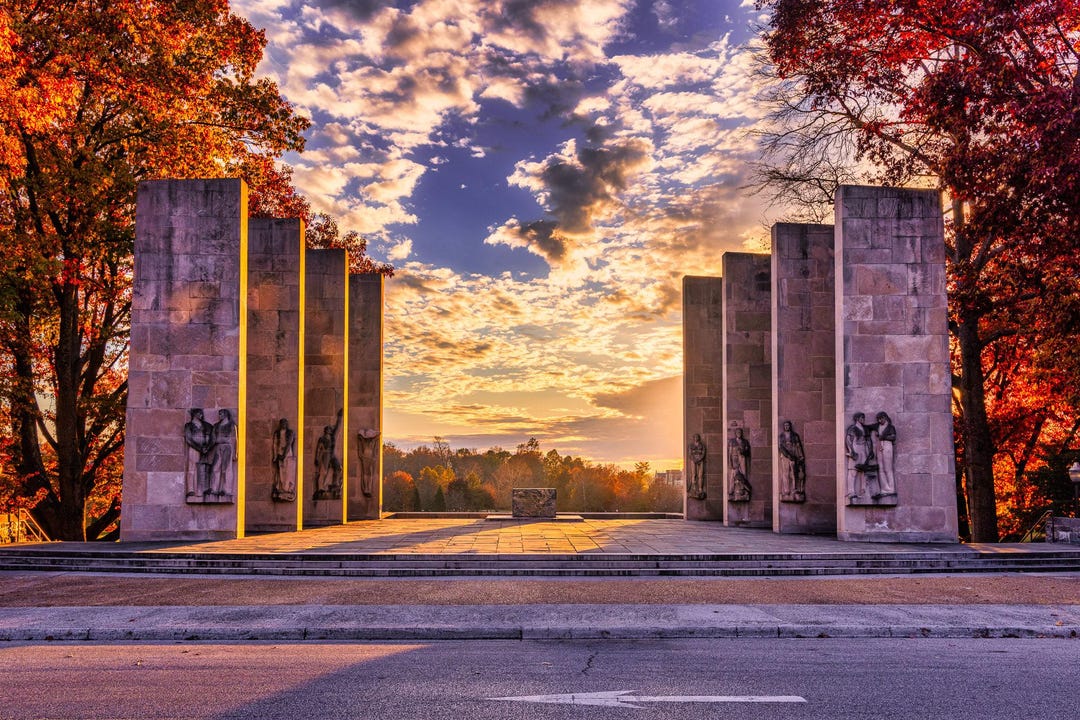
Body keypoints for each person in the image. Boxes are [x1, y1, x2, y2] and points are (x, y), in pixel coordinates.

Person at [183, 408, 214, 500]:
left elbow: (211, 436)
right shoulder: (189, 425)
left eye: (201, 413)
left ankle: (202, 489)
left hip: (205, 449)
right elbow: (188, 439)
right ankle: (190, 489)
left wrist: (207, 447)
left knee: (204, 468)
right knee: (192, 468)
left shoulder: (205, 425)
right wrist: (199, 448)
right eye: (199, 413)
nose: (201, 414)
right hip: (194, 448)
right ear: (194, 414)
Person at [313, 408, 343, 500]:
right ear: (326, 431)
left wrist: (339, 416)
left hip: (332, 454)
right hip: (325, 454)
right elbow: (318, 449)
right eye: (329, 429)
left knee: (338, 467)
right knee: (324, 471)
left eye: (330, 429)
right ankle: (320, 487)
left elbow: (338, 426)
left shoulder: (332, 437)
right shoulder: (322, 439)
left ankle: (335, 483)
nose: (330, 430)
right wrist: (317, 458)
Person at [844, 413, 872, 502]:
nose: (863, 419)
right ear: (857, 419)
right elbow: (848, 440)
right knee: (853, 470)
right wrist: (852, 451)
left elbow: (868, 441)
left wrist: (870, 451)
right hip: (856, 448)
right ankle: (851, 492)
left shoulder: (865, 429)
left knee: (864, 471)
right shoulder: (853, 428)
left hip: (864, 450)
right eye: (861, 417)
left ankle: (863, 491)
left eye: (864, 417)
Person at [210, 408, 236, 500]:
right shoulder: (216, 426)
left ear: (226, 414)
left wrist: (235, 453)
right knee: (215, 468)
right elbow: (213, 439)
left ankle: (226, 489)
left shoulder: (232, 425)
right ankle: (214, 488)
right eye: (219, 414)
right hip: (218, 447)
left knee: (227, 468)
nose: (219, 415)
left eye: (221, 414)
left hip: (227, 447)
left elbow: (235, 440)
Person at [778, 420, 806, 502]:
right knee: (785, 473)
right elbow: (780, 447)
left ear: (790, 426)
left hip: (794, 456)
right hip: (785, 456)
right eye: (785, 425)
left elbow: (798, 446)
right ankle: (786, 490)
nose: (787, 427)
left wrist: (801, 456)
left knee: (794, 473)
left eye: (788, 425)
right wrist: (787, 455)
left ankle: (794, 488)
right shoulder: (781, 436)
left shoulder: (795, 435)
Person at [271, 418, 297, 502]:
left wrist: (284, 454)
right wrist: (275, 456)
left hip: (288, 453)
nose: (283, 425)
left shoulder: (290, 432)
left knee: (288, 471)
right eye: (282, 423)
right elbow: (275, 445)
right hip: (280, 452)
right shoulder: (277, 433)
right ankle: (281, 488)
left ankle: (287, 489)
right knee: (281, 472)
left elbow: (289, 444)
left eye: (285, 423)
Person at [874, 412, 897, 499]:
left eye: (880, 419)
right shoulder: (878, 426)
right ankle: (884, 488)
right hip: (879, 446)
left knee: (888, 468)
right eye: (878, 419)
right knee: (881, 468)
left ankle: (891, 488)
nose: (879, 421)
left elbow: (893, 437)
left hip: (887, 446)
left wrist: (882, 437)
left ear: (884, 417)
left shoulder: (890, 427)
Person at [728, 427, 751, 502]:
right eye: (737, 432)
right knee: (733, 474)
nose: (739, 433)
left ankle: (743, 490)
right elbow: (730, 453)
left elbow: (747, 452)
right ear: (735, 433)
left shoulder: (745, 442)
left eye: (740, 432)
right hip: (734, 459)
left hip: (742, 458)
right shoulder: (732, 441)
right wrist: (730, 463)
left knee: (743, 474)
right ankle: (731, 491)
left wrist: (743, 451)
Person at [687, 433, 707, 499]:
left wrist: (699, 459)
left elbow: (703, 453)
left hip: (700, 461)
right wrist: (694, 459)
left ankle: (700, 489)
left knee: (700, 475)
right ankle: (694, 489)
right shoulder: (691, 445)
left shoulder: (702, 445)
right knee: (694, 474)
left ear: (699, 438)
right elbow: (690, 454)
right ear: (693, 438)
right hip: (693, 461)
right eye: (695, 437)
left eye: (697, 437)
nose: (696, 438)